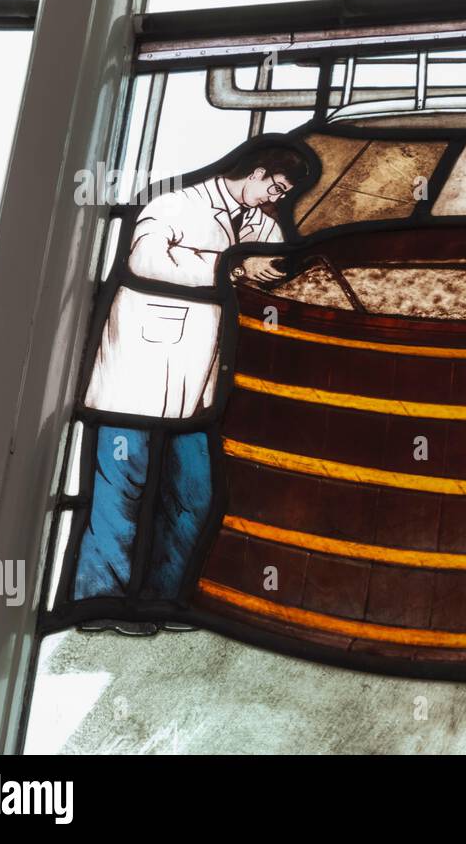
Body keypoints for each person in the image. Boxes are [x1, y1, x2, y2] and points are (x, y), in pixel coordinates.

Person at [72, 142, 310, 605]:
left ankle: (163, 598)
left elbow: (274, 264)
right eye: (276, 188)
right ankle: (100, 599)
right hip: (139, 375)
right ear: (257, 172)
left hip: (199, 385)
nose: (275, 198)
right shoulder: (175, 204)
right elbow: (145, 260)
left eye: (282, 194)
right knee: (122, 491)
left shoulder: (261, 221)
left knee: (194, 495)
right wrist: (230, 267)